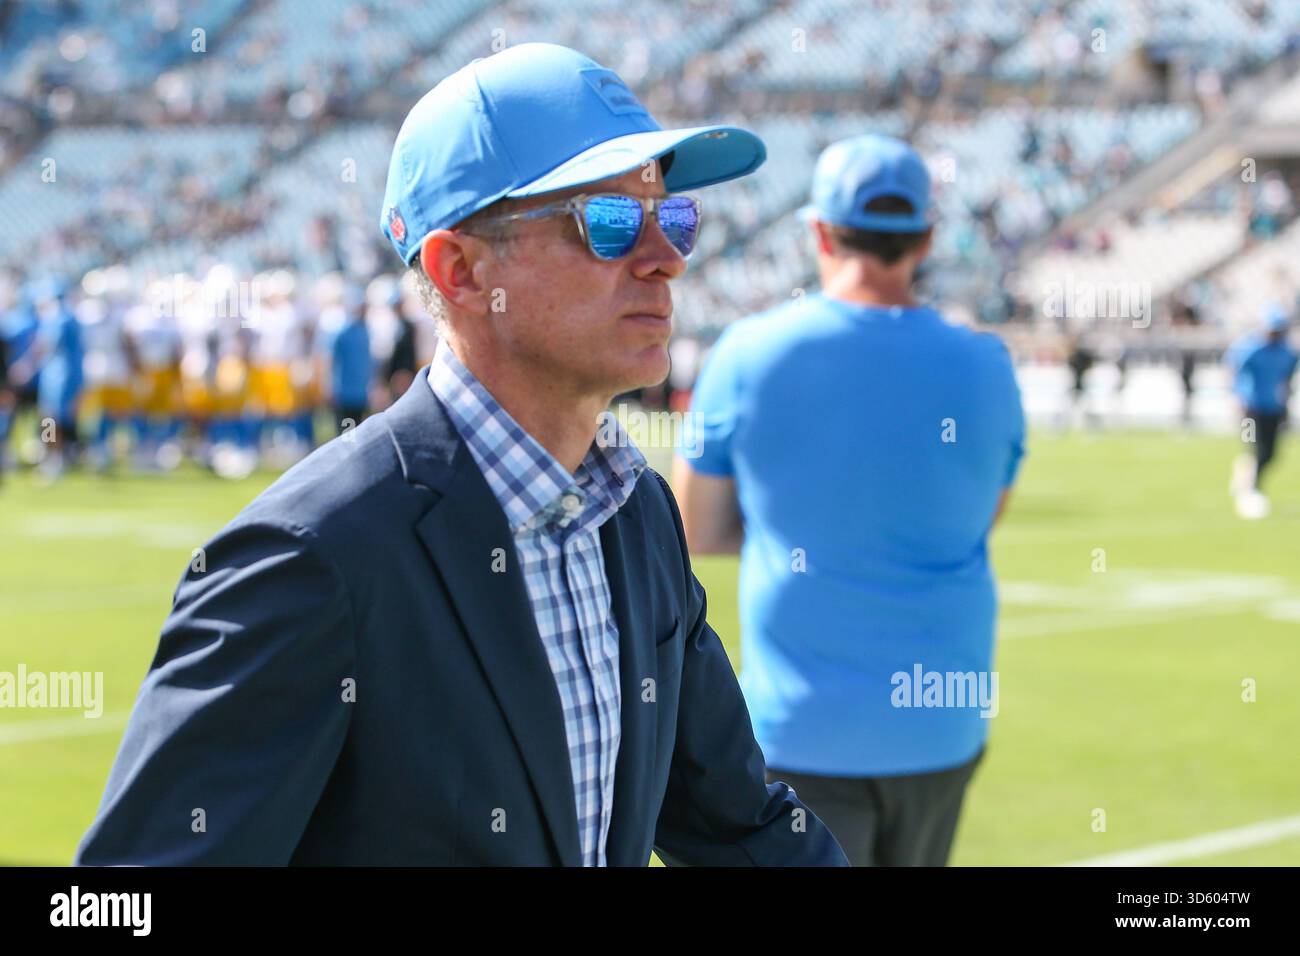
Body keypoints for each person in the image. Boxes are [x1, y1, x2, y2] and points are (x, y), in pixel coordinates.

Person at [76, 43, 846, 868]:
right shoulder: (313, 557)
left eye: (674, 218)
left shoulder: (635, 510)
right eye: (611, 222)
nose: (666, 258)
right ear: (462, 271)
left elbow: (737, 821)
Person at [673, 134, 1026, 866]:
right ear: (927, 237)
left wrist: (796, 528)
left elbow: (697, 527)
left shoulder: (747, 352)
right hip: (943, 722)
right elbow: (979, 516)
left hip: (804, 733)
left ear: (819, 232)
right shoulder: (987, 365)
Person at [1226, 305, 1297, 520]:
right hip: (1251, 408)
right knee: (1254, 447)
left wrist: (1285, 402)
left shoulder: (1287, 352)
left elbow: (1287, 377)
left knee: (1271, 454)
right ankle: (1249, 488)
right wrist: (1237, 397)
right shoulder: (1251, 348)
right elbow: (1233, 369)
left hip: (1273, 408)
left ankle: (1247, 479)